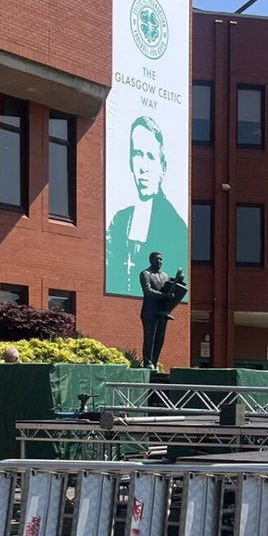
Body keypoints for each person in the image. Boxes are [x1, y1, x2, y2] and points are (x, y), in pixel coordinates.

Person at [106, 116, 188, 295]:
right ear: (130, 162)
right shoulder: (119, 221)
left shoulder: (175, 226)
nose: (142, 167)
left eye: (150, 156)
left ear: (163, 167)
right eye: (137, 154)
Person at [138, 251, 187, 369]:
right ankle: (148, 362)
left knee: (160, 339)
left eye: (160, 260)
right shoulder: (145, 274)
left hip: (163, 312)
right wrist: (164, 296)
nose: (159, 262)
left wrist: (179, 279)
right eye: (156, 259)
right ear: (151, 260)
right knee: (150, 338)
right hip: (150, 312)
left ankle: (155, 362)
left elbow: (172, 285)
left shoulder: (165, 276)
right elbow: (148, 291)